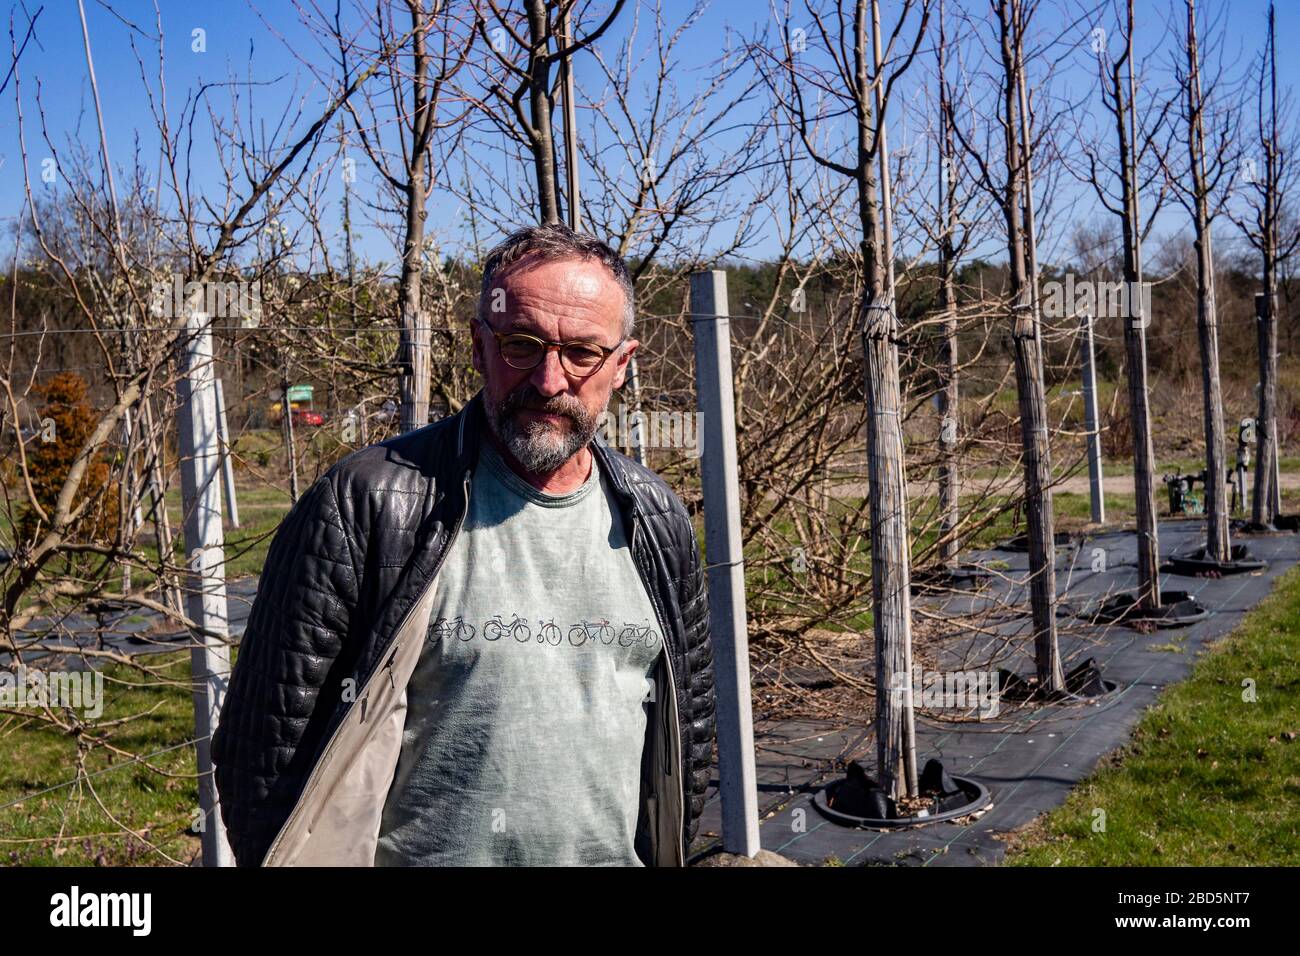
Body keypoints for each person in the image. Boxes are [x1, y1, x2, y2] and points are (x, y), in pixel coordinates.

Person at [211, 222, 716, 866]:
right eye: (522, 345)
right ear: (479, 347)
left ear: (621, 365)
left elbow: (687, 737)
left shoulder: (654, 519)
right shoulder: (372, 504)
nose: (549, 379)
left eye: (582, 352)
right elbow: (264, 748)